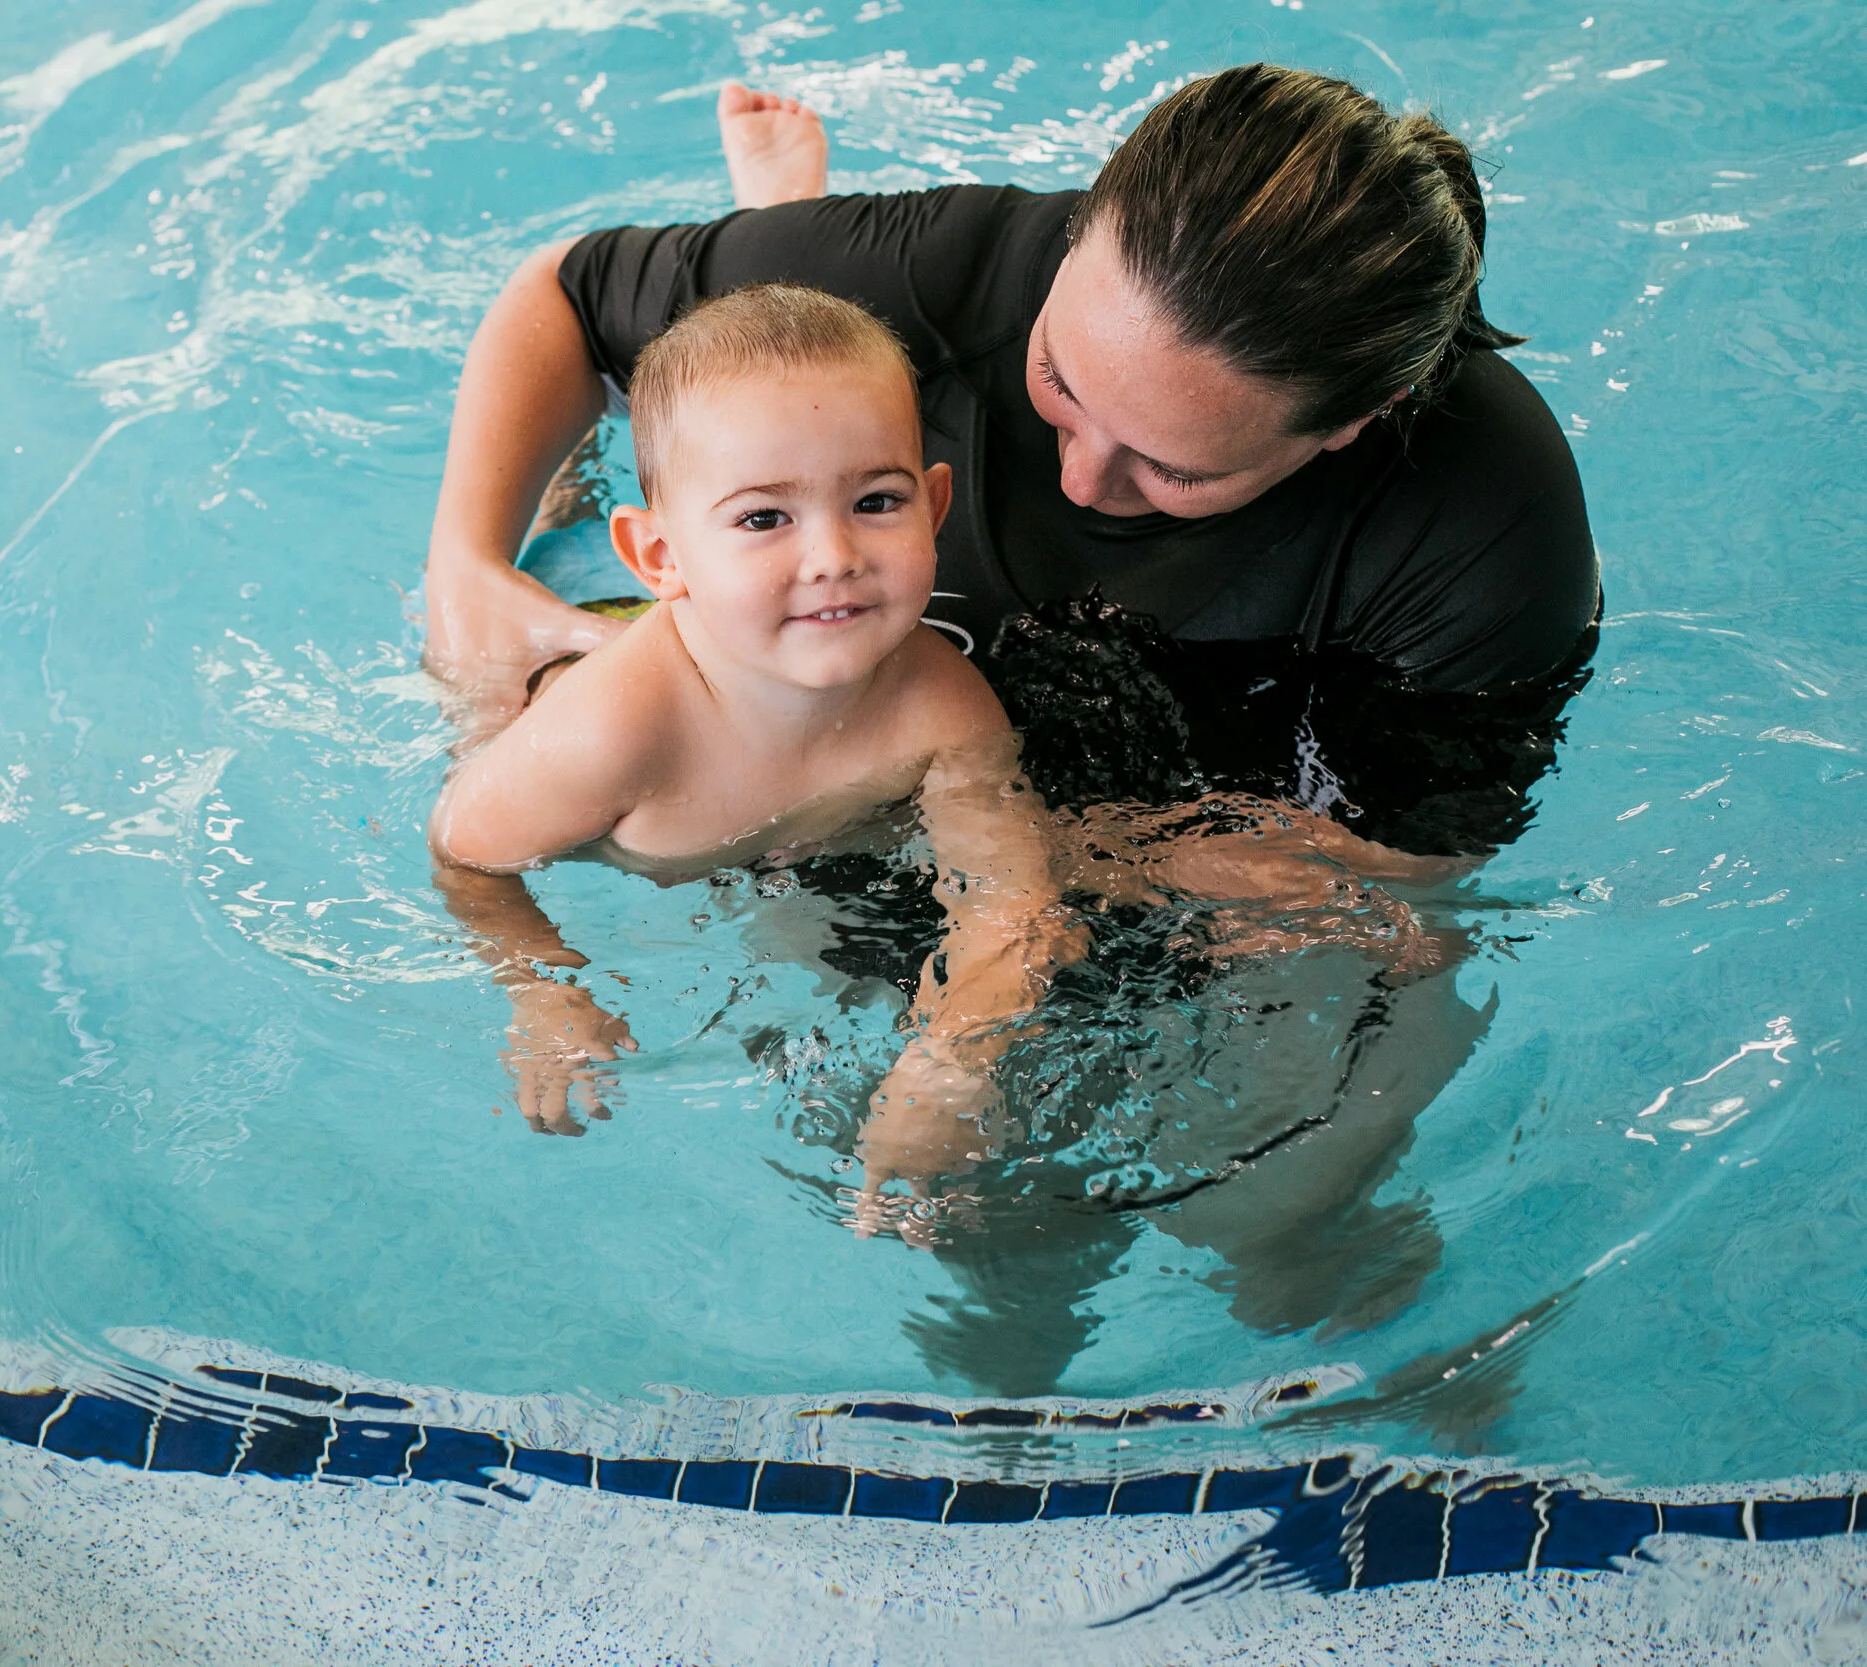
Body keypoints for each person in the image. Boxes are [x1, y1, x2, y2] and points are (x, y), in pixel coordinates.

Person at [422, 65, 1599, 859]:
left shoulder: (1484, 531)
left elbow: (1411, 883)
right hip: (868, 520)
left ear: (1355, 420)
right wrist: (466, 564)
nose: (1083, 477)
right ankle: (783, 243)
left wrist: (1133, 865)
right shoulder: (963, 264)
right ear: (1081, 229)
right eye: (1060, 384)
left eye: (1170, 470)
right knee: (709, 446)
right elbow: (563, 300)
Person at [429, 283, 1083, 1183]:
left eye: (877, 502)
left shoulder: (940, 702)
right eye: (764, 517)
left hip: (729, 631)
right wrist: (542, 988)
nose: (834, 556)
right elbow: (466, 854)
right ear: (662, 555)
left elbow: (1009, 904)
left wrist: (950, 1061)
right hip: (571, 647)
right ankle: (573, 471)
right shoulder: (610, 733)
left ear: (936, 509)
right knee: (505, 641)